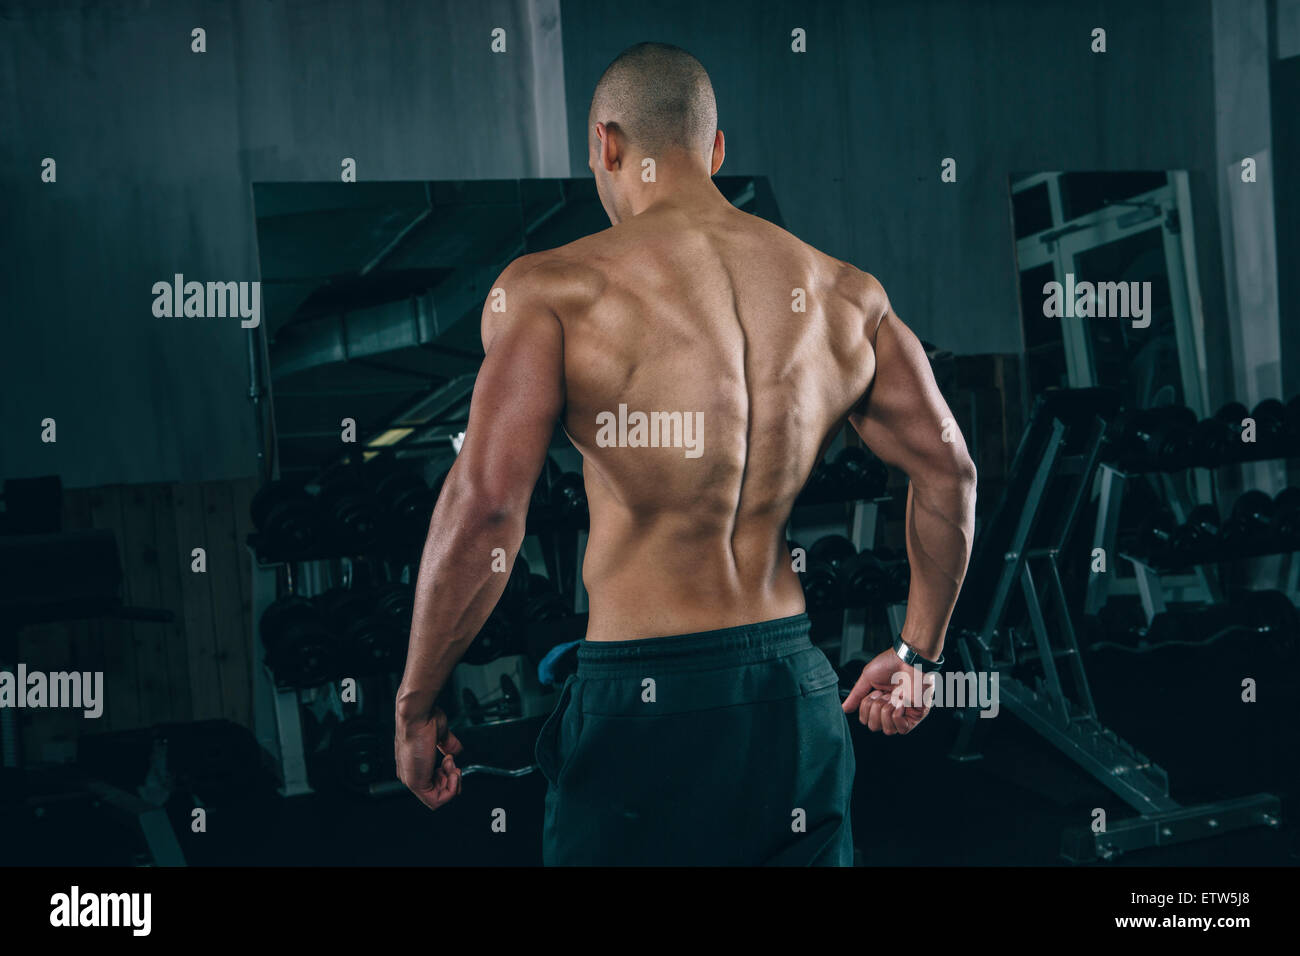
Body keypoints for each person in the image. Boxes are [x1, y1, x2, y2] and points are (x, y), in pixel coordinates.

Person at [395, 42, 976, 865]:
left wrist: (417, 704)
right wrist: (919, 651)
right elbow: (951, 469)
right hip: (791, 687)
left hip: (642, 701)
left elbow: (488, 507)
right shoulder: (846, 295)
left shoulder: (553, 288)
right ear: (717, 149)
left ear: (606, 144)